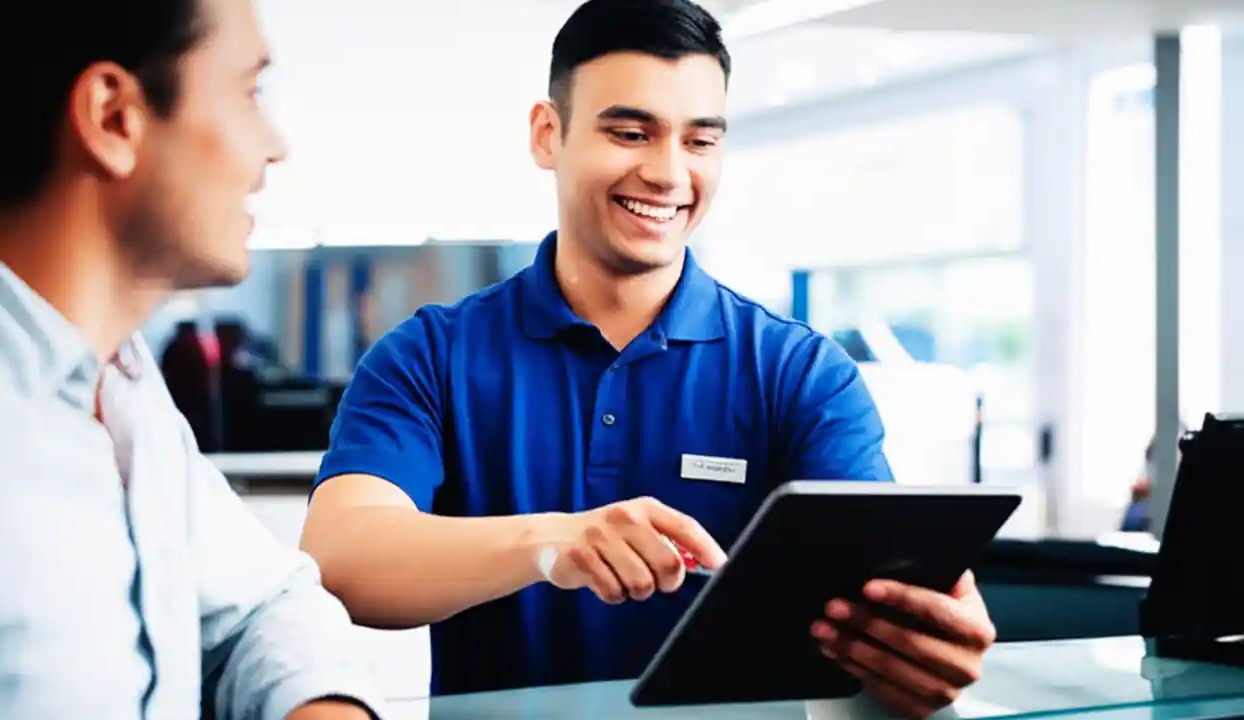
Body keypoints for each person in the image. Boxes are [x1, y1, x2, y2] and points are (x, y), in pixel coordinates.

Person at [302, 0, 996, 716]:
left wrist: (921, 641)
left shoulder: (799, 372)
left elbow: (876, 595)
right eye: (631, 133)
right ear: (548, 134)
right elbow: (341, 558)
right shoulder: (429, 356)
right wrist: (555, 542)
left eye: (699, 141)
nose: (668, 173)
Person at [0, 1, 385, 718]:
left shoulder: (127, 393)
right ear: (113, 118)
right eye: (249, 92)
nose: (274, 147)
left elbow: (262, 607)